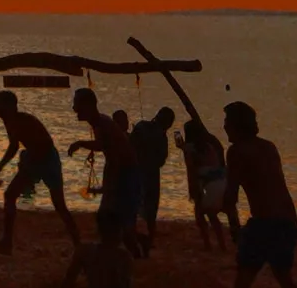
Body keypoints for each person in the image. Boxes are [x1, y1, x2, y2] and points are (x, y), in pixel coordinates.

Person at [221, 100, 297, 288]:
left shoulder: (237, 152)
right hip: (287, 221)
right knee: (285, 278)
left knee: (242, 285)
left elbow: (231, 197)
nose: (224, 127)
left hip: (265, 224)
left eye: (227, 123)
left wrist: (230, 224)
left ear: (236, 125)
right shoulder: (269, 147)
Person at [0, 90, 80, 254]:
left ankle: (78, 245)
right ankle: (6, 243)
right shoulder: (9, 121)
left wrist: (25, 166)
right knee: (10, 195)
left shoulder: (23, 120)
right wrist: (2, 165)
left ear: (10, 107)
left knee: (59, 205)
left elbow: (40, 146)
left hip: (47, 158)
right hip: (35, 158)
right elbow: (14, 145)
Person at [69, 87, 141, 255]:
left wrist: (110, 185)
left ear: (88, 105)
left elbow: (109, 151)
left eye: (77, 104)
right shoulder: (100, 122)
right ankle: (128, 251)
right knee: (115, 219)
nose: (74, 109)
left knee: (116, 219)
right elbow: (105, 147)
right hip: (123, 172)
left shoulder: (101, 123)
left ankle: (131, 254)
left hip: (126, 174)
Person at [127, 106, 176, 254]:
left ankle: (135, 237)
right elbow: (161, 160)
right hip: (151, 175)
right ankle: (149, 239)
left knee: (134, 207)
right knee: (151, 209)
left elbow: (130, 145)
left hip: (136, 171)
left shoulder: (141, 126)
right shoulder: (161, 136)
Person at [179, 115, 229, 249]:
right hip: (219, 182)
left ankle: (208, 243)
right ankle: (221, 243)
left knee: (202, 214)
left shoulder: (190, 148)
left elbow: (192, 168)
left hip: (207, 184)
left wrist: (183, 149)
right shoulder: (209, 145)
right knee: (211, 215)